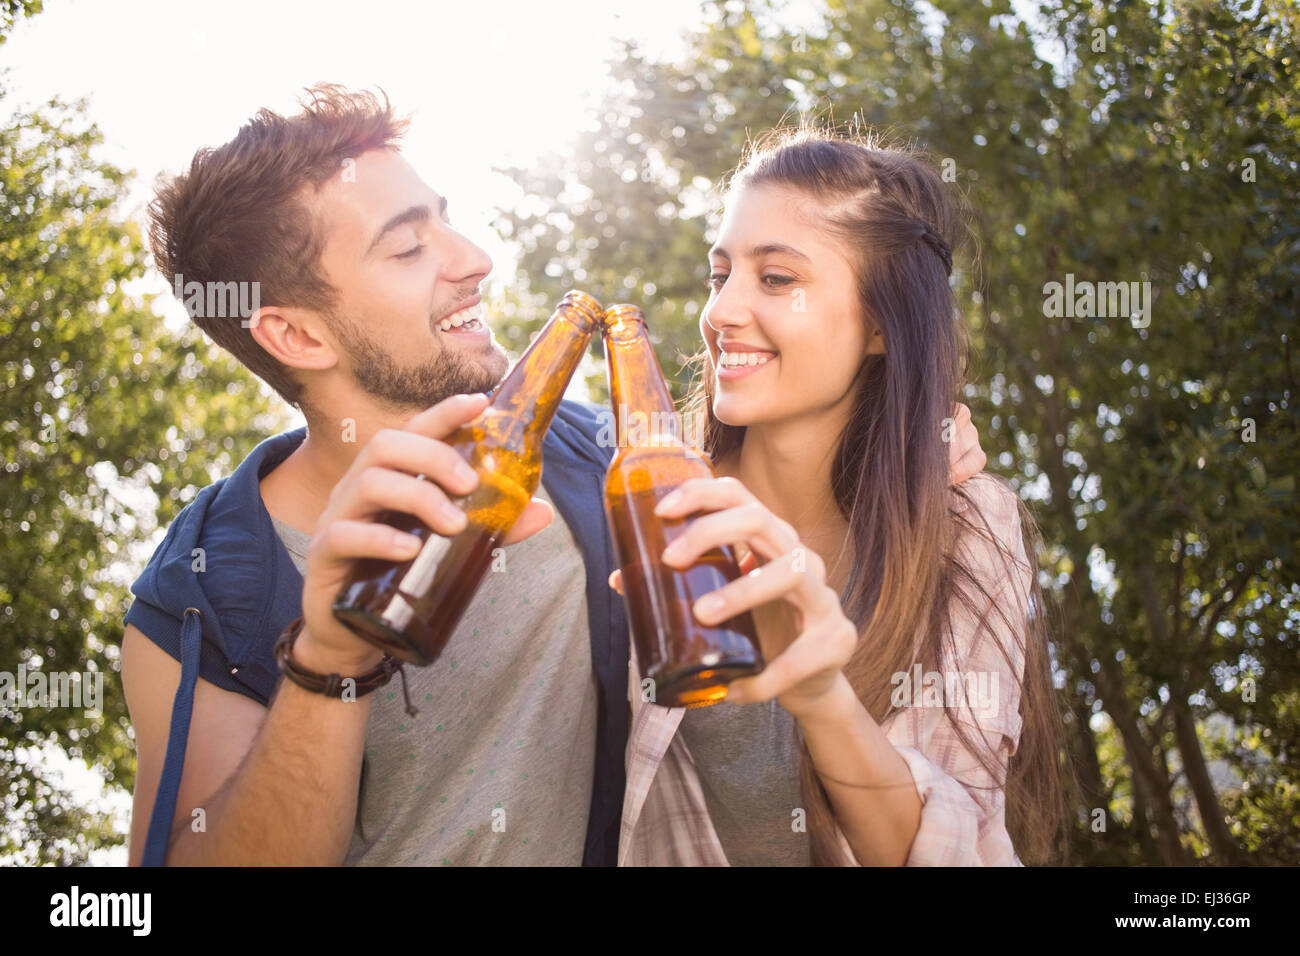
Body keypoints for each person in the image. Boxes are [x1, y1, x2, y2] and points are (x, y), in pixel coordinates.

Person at [120, 87, 988, 867]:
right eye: (410, 247)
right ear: (298, 336)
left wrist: (907, 422)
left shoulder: (598, 458)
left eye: (447, 219)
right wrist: (328, 662)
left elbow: (769, 439)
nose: (474, 258)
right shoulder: (203, 593)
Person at [614, 127, 1072, 866]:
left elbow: (961, 843)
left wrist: (821, 696)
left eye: (776, 279)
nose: (721, 312)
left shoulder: (962, 524)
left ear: (883, 325)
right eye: (720, 273)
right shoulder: (646, 501)